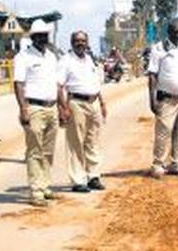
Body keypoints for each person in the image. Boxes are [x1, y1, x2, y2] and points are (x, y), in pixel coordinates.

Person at [13, 19, 68, 206]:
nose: (42, 38)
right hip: (34, 108)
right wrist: (23, 109)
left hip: (52, 107)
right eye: (39, 36)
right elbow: (19, 84)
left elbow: (57, 84)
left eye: (45, 35)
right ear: (33, 37)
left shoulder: (51, 57)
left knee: (48, 151)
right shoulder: (23, 57)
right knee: (35, 151)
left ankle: (45, 186)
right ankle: (36, 191)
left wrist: (62, 107)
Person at [146, 19, 178, 179]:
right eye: (175, 32)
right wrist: (152, 99)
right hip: (167, 100)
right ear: (168, 32)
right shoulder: (159, 49)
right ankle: (158, 165)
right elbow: (152, 76)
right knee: (163, 133)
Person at [60, 30, 107, 192]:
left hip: (93, 103)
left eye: (83, 41)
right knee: (76, 142)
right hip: (76, 103)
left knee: (93, 141)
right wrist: (63, 108)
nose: (80, 43)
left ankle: (93, 176)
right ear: (72, 43)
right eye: (77, 41)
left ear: (87, 43)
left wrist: (102, 103)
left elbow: (95, 83)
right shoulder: (66, 61)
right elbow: (59, 86)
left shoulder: (89, 60)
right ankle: (78, 180)